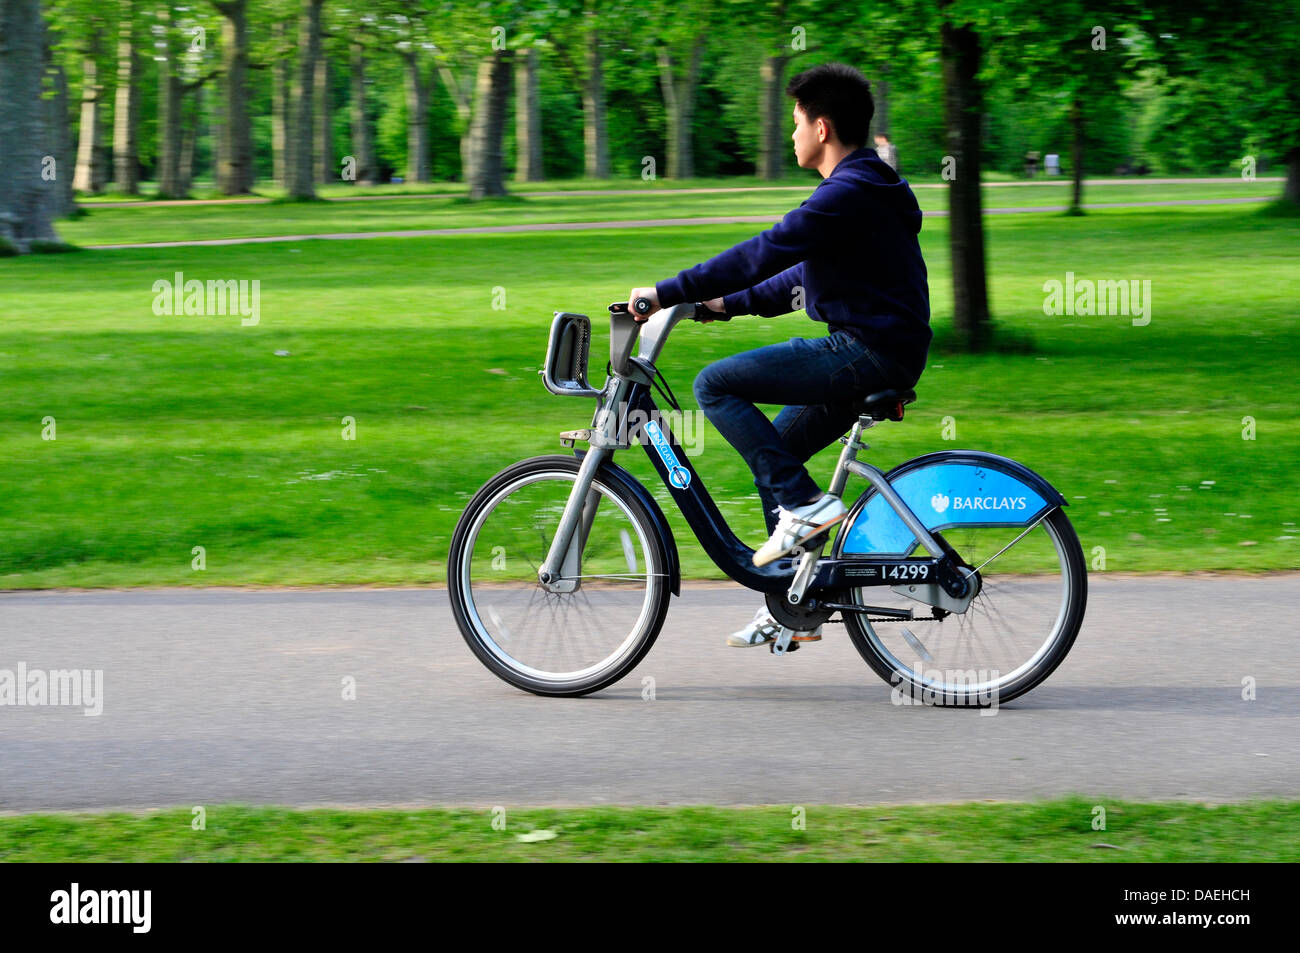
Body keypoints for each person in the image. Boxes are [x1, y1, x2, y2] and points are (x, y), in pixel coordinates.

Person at [626, 62, 931, 648]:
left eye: (794, 123)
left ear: (821, 127)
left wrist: (668, 291)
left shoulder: (848, 192)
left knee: (716, 385)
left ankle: (806, 509)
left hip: (866, 351)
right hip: (880, 348)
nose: (790, 136)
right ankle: (796, 596)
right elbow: (793, 280)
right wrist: (718, 305)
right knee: (779, 451)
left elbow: (768, 251)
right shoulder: (859, 190)